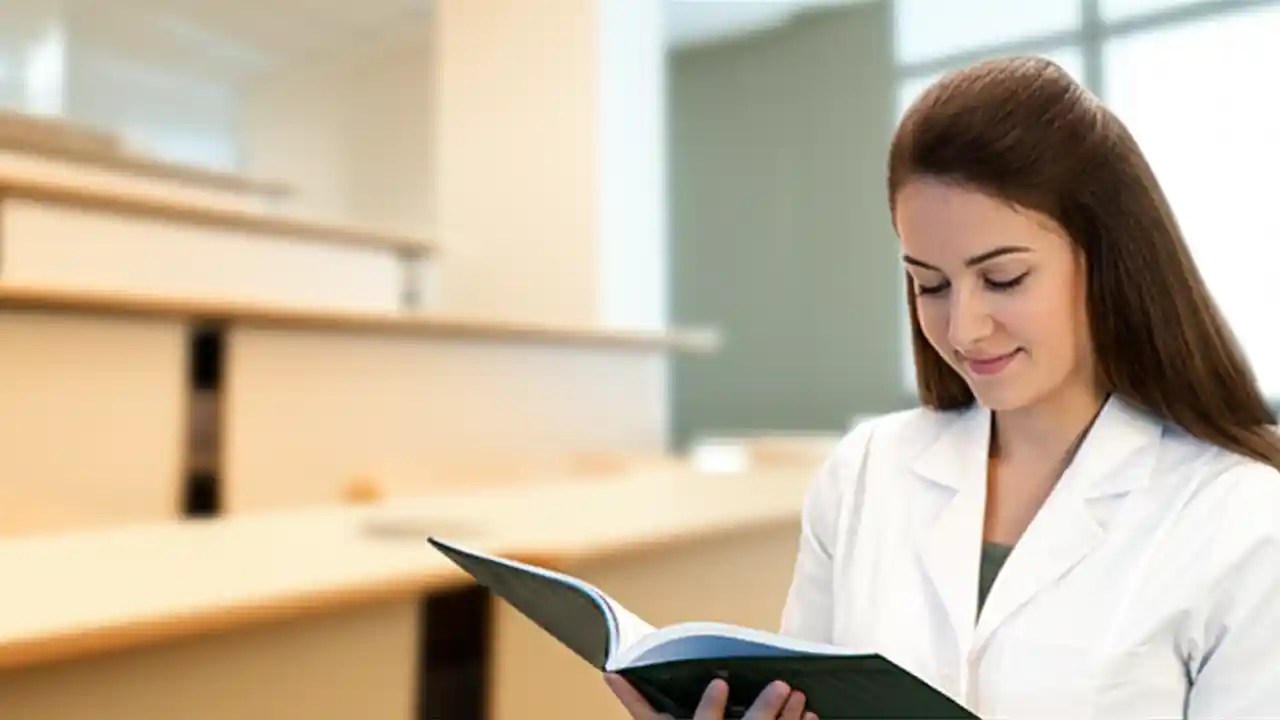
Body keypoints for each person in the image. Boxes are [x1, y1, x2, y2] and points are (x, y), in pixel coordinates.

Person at [606, 54, 1280, 719]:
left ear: (1107, 257)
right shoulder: (865, 473)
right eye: (929, 284)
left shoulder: (1242, 518)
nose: (964, 328)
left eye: (1004, 279)